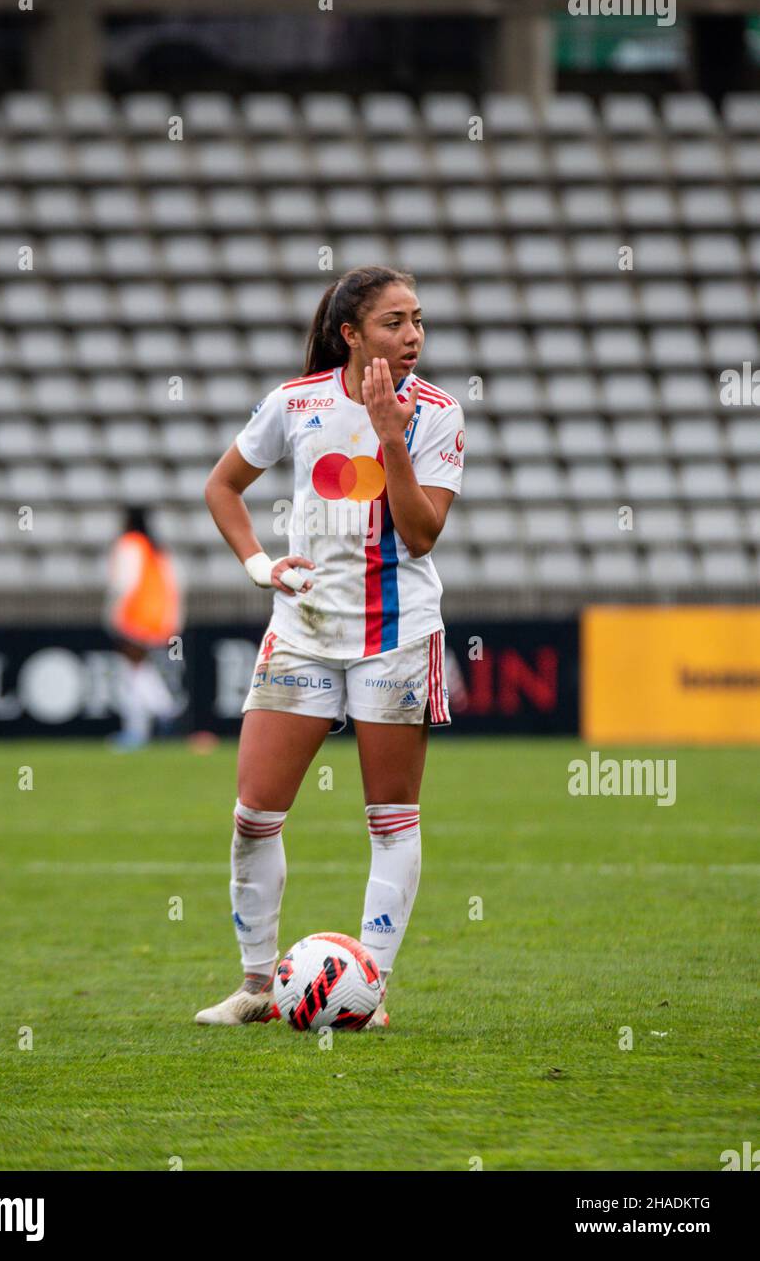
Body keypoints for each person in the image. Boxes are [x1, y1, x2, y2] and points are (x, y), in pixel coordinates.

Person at [196, 266, 465, 1027]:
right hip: (304, 633)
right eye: (393, 323)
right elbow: (222, 487)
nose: (412, 336)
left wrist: (391, 437)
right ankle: (255, 987)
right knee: (253, 815)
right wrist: (259, 566)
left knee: (390, 819)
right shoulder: (296, 401)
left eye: (417, 320)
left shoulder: (437, 414)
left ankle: (367, 991)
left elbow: (420, 534)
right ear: (350, 334)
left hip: (396, 636)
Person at [106, 505, 184, 750]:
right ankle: (151, 721)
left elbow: (125, 582)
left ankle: (160, 714)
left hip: (136, 615)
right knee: (137, 670)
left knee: (133, 670)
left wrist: (114, 611)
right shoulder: (158, 550)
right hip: (159, 617)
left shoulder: (131, 543)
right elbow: (175, 584)